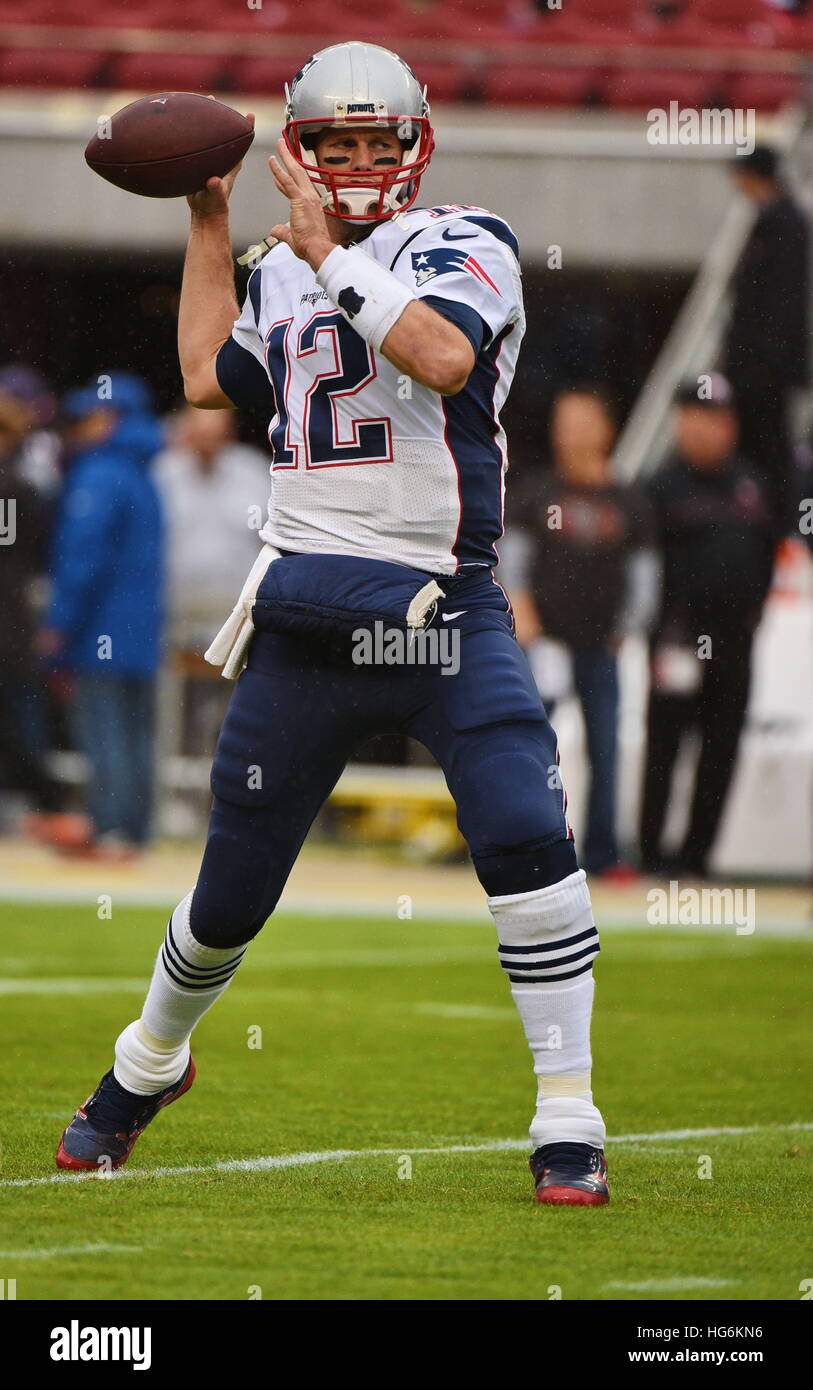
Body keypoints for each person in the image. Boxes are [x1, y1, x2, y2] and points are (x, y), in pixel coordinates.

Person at [56, 43, 609, 1206]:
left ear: (416, 148)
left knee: (522, 829)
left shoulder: (466, 241)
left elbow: (445, 354)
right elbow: (211, 376)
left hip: (441, 607)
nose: (358, 166)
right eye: (336, 146)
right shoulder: (279, 265)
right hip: (308, 606)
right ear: (298, 153)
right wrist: (211, 223)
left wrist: (330, 255)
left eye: (377, 143)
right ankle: (150, 1058)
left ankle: (569, 1108)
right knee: (228, 893)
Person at [502, 386, 658, 879]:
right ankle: (515, 843)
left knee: (605, 753)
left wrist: (628, 627)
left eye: (580, 421)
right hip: (543, 646)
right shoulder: (536, 492)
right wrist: (528, 626)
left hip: (599, 648)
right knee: (522, 748)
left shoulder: (629, 500)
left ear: (605, 429)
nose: (568, 432)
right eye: (562, 421)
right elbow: (514, 568)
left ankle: (604, 852)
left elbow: (645, 576)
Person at [639, 375, 775, 878]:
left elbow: (765, 556)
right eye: (699, 417)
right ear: (680, 422)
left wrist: (755, 611)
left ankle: (698, 858)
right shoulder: (658, 487)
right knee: (665, 748)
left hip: (735, 639)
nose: (711, 428)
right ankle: (652, 854)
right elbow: (644, 568)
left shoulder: (752, 484)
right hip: (677, 636)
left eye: (720, 418)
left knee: (721, 749)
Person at [41, 373, 164, 861]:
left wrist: (58, 623)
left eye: (89, 415)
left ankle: (109, 828)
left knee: (104, 728)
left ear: (111, 418)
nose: (80, 426)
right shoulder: (144, 473)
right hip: (139, 630)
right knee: (135, 731)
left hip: (100, 629)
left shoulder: (98, 472)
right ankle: (132, 830)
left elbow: (81, 557)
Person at [0, 390, 90, 848]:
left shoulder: (13, 485)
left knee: (18, 724)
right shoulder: (23, 482)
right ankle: (48, 804)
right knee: (18, 723)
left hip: (8, 623)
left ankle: (50, 805)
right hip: (14, 620)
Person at [725, 144, 809, 532]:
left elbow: (784, 301)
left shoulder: (784, 223)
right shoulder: (772, 219)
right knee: (758, 448)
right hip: (756, 367)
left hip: (765, 371)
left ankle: (777, 525)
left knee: (769, 449)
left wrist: (764, 362)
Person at [155, 405, 270, 650]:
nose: (207, 441)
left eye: (215, 432)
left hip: (236, 611)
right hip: (175, 611)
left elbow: (272, 540)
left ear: (229, 432)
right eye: (200, 432)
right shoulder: (162, 474)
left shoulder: (254, 472)